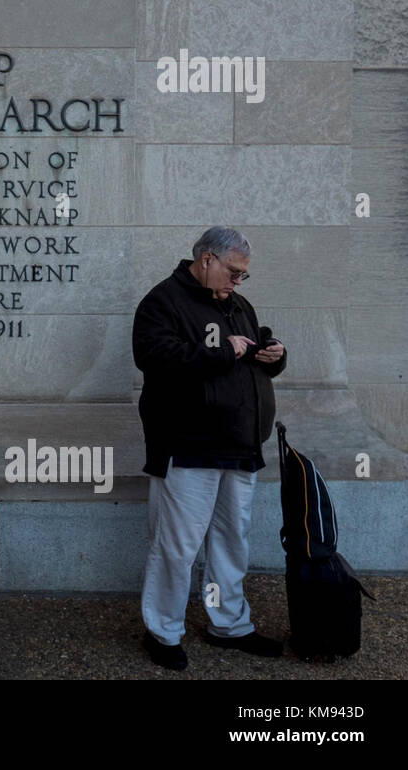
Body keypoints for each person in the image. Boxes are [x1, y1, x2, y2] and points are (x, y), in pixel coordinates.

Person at [132, 226, 287, 671]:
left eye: (243, 275)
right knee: (176, 546)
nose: (238, 281)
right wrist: (222, 353)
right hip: (187, 446)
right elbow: (155, 358)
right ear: (206, 260)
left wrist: (272, 357)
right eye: (233, 272)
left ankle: (229, 626)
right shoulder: (163, 301)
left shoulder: (238, 304)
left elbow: (244, 363)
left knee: (231, 541)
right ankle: (162, 632)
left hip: (239, 446)